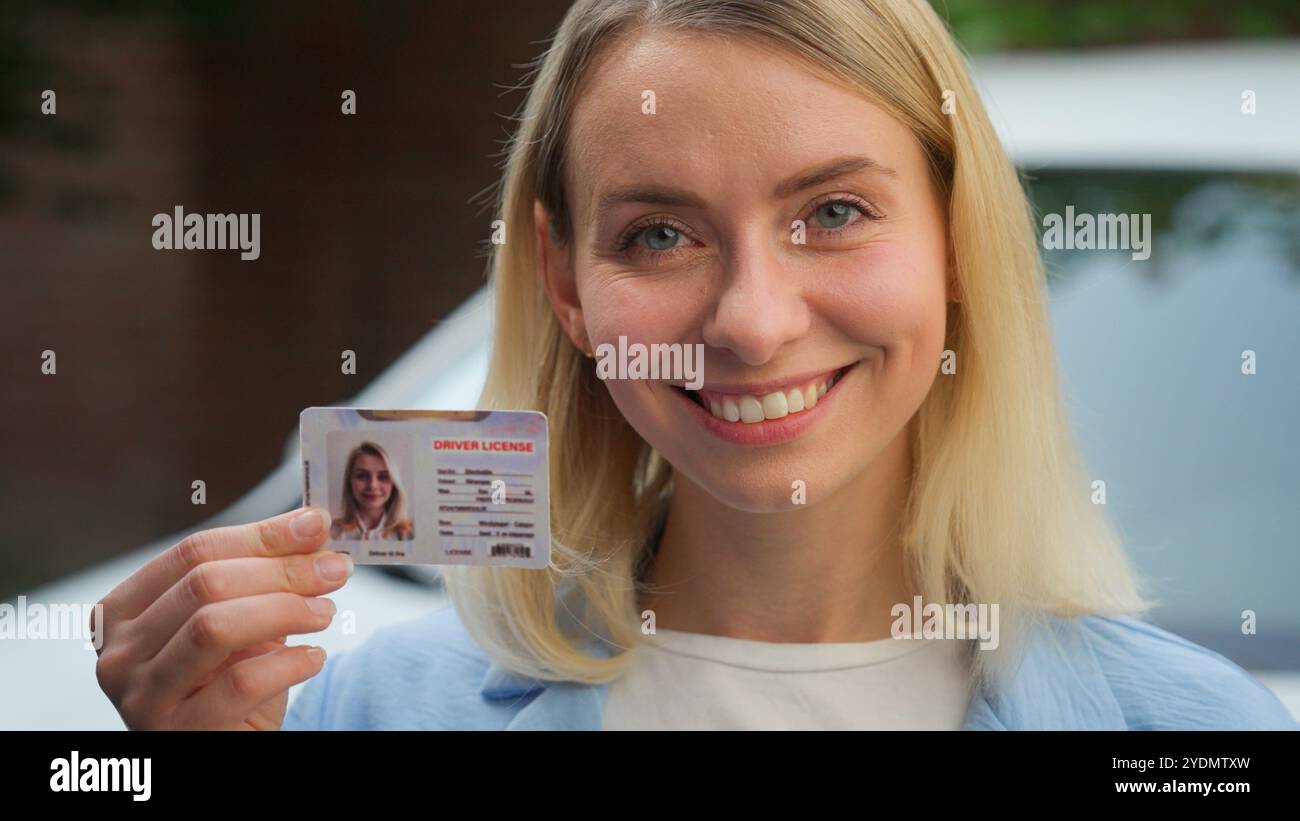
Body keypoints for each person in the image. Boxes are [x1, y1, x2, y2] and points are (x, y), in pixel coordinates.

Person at [93, 0, 1297, 730]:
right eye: (657, 235)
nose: (753, 323)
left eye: (831, 211)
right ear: (565, 281)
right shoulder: (371, 708)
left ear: (957, 240)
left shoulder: (1189, 729)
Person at [329, 441, 414, 542]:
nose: (372, 485)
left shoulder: (410, 533)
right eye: (362, 476)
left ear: (394, 484)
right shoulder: (332, 531)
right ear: (349, 481)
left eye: (383, 477)